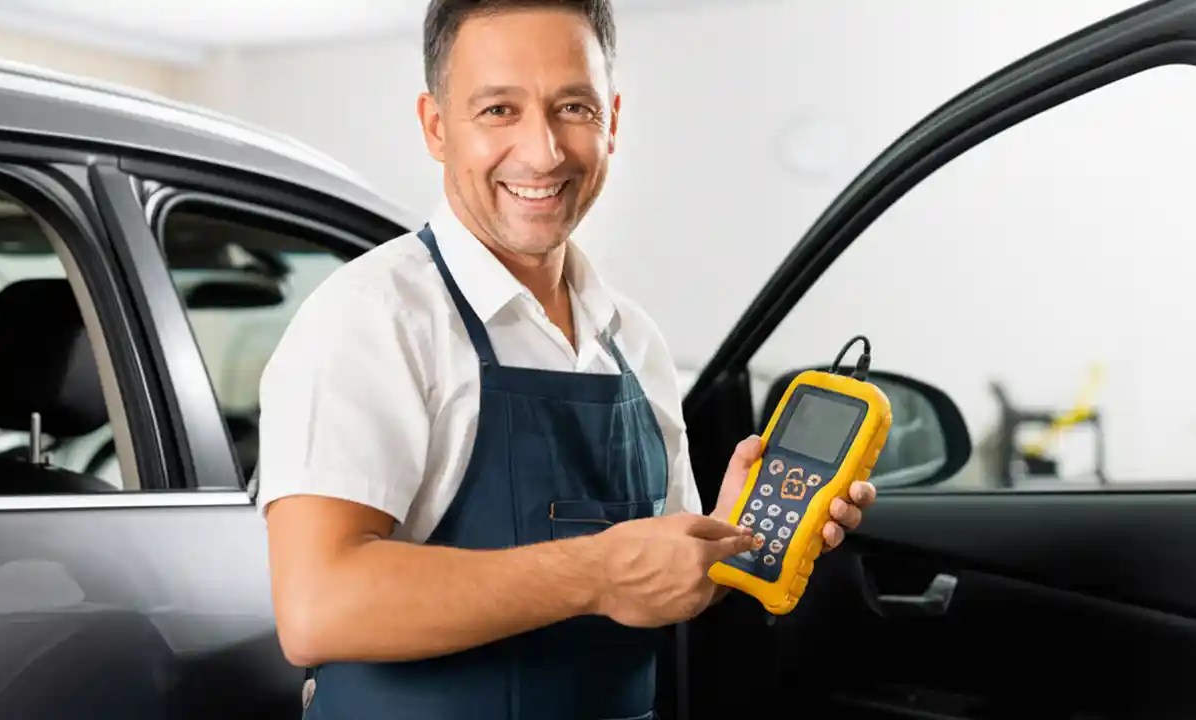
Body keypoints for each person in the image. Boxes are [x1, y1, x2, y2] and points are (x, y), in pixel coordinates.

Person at [257, 1, 877, 718]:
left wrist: (729, 535)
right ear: (435, 126)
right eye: (498, 110)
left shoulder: (633, 341)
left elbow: (658, 591)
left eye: (572, 108)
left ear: (612, 119)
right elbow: (318, 608)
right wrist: (596, 572)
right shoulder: (373, 316)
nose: (543, 151)